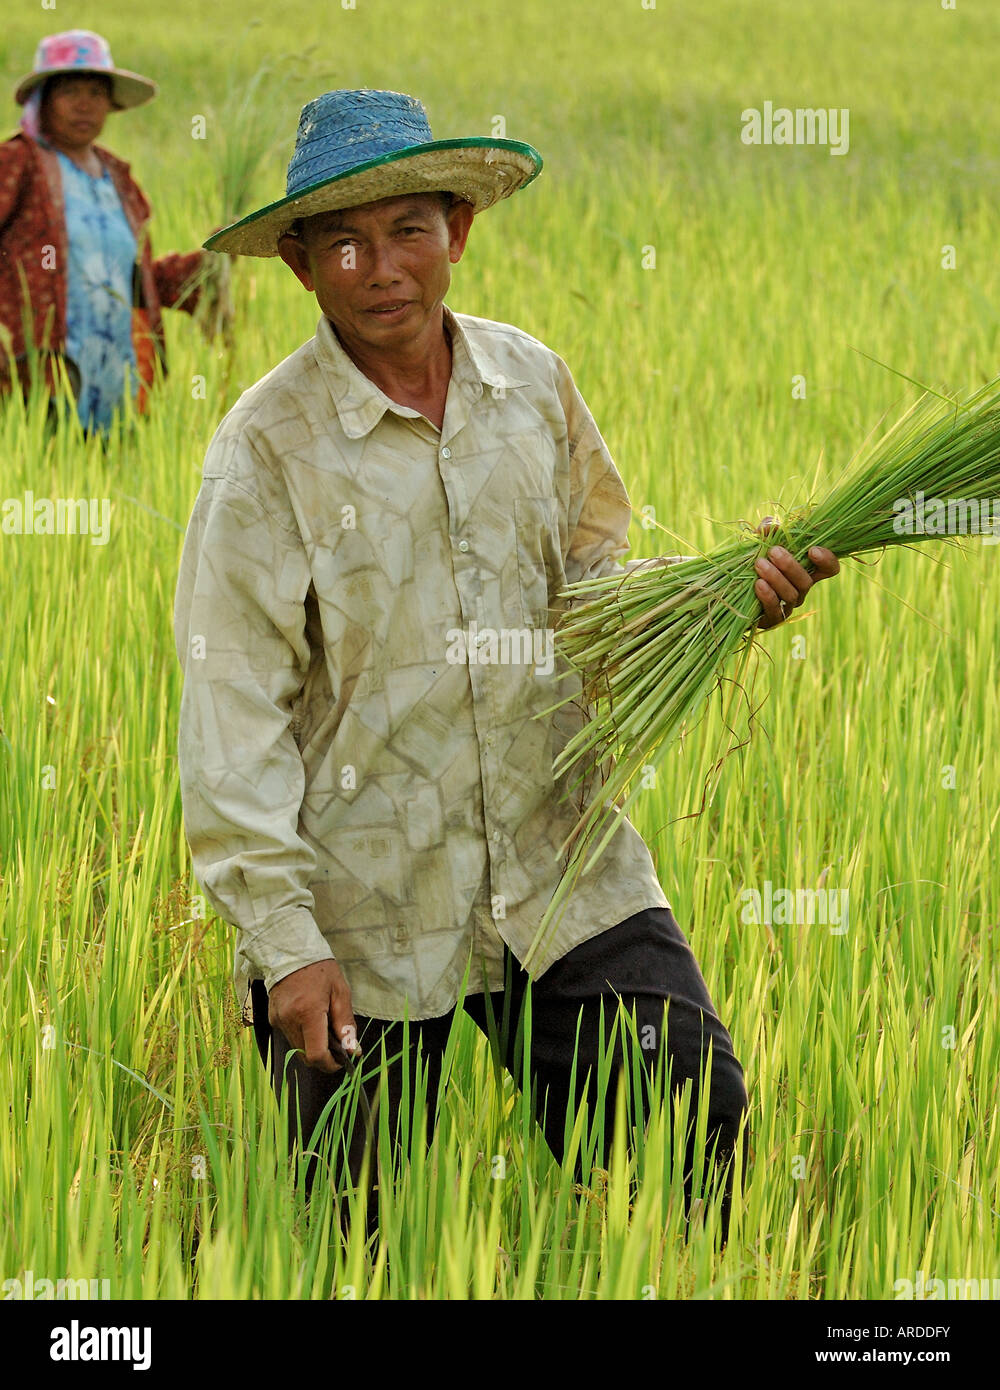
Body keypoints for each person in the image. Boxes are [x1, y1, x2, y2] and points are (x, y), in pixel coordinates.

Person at [173, 88, 841, 1247]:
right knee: (354, 1231)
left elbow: (592, 588)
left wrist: (723, 594)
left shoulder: (529, 385)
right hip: (363, 909)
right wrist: (287, 945)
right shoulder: (262, 452)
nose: (382, 269)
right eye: (344, 241)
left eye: (408, 232)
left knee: (693, 1132)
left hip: (555, 858)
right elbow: (231, 707)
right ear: (299, 264)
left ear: (459, 232)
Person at [0, 30, 204, 430]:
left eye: (96, 93)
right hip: (36, 373)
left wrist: (207, 267)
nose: (84, 105)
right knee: (42, 478)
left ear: (110, 105)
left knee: (108, 478)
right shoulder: (17, 162)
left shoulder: (118, 178)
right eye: (70, 91)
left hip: (119, 375)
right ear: (44, 101)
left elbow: (135, 279)